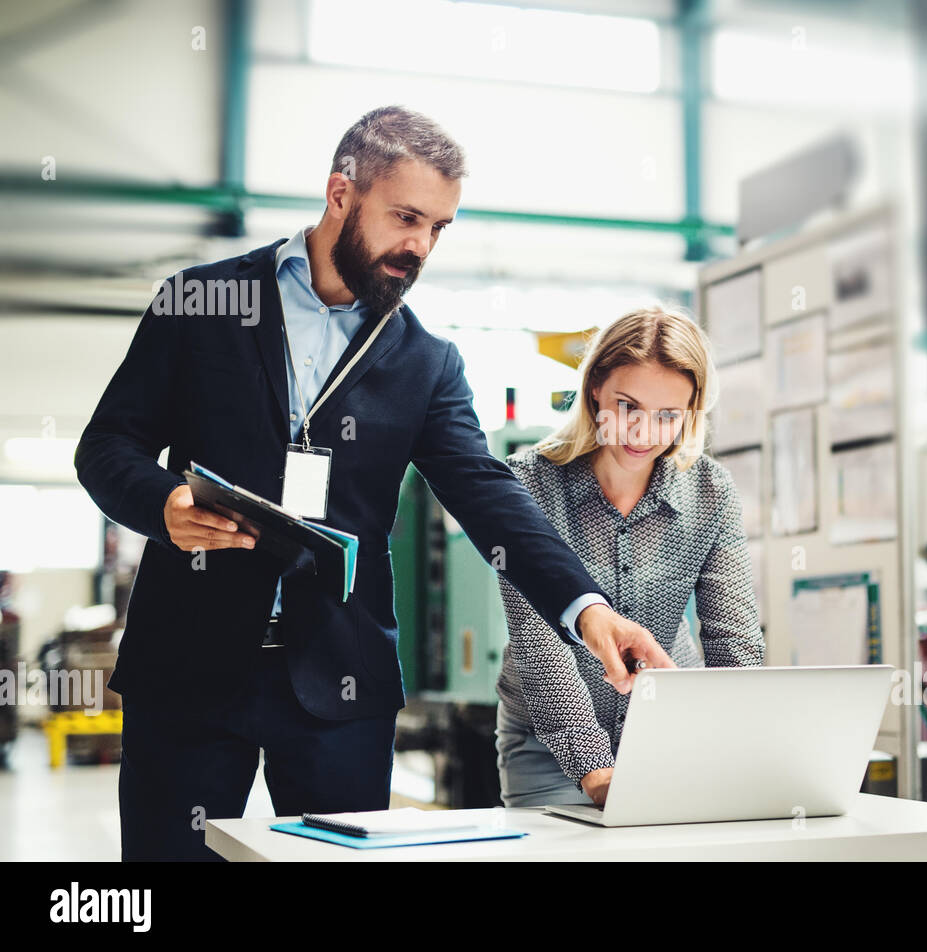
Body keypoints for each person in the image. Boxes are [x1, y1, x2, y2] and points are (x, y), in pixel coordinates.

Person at [74, 105, 670, 861]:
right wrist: (162, 505)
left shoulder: (426, 361)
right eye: (406, 217)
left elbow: (490, 498)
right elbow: (106, 446)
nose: (419, 246)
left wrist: (588, 611)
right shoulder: (199, 303)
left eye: (438, 228)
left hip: (339, 681)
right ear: (340, 194)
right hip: (189, 666)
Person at [494, 306, 765, 808]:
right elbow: (540, 647)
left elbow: (734, 636)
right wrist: (596, 774)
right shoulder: (528, 483)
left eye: (667, 415)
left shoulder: (710, 491)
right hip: (549, 745)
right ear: (595, 388)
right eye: (627, 406)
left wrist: (739, 747)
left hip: (669, 735)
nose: (642, 432)